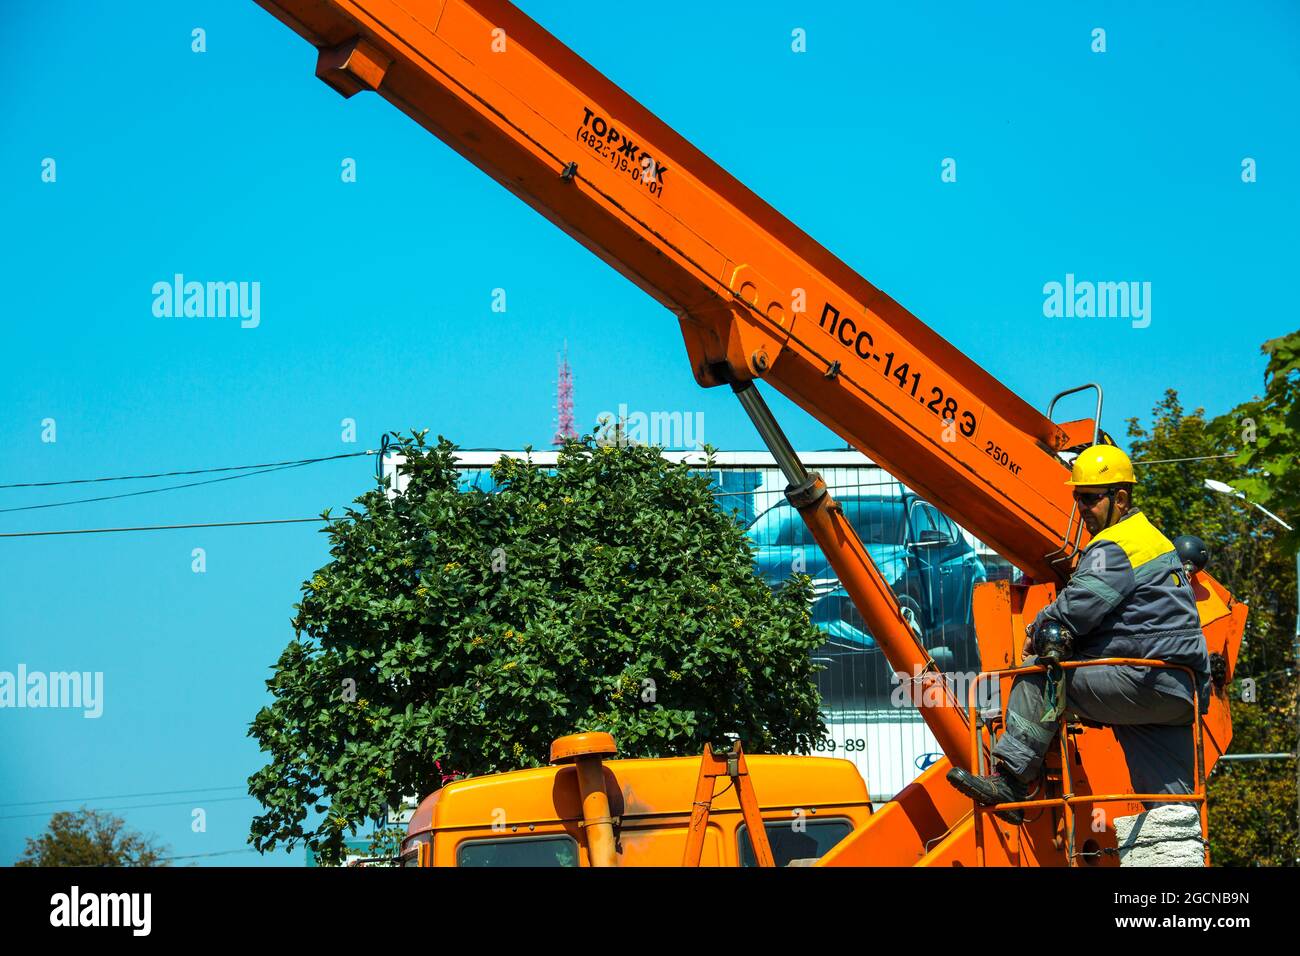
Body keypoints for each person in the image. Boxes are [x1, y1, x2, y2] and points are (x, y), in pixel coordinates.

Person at [946, 444, 1211, 823]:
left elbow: (1076, 609)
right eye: (1077, 499)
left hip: (1140, 677)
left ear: (1119, 497)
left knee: (1040, 678)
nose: (1082, 508)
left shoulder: (1114, 546)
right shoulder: (1153, 539)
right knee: (1171, 809)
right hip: (1179, 690)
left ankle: (1013, 780)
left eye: (1089, 498)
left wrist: (1038, 628)